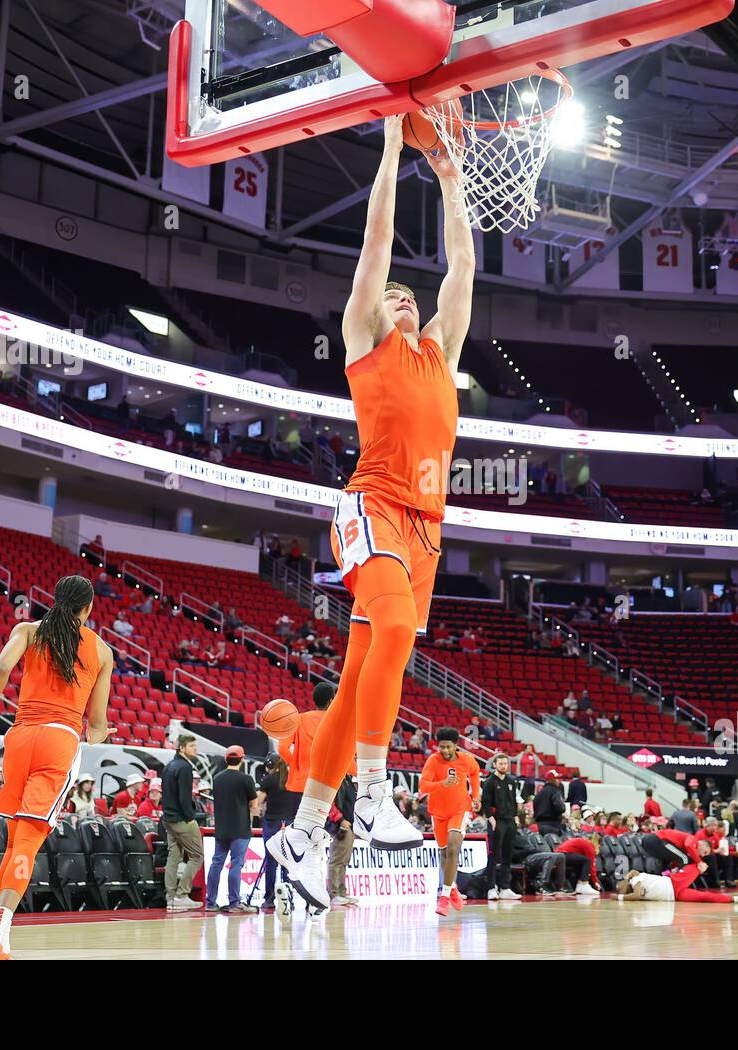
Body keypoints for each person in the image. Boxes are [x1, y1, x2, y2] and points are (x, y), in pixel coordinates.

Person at [266, 116, 472, 916]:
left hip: (427, 529)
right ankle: (377, 792)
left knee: (355, 687)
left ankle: (306, 833)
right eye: (394, 297)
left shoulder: (442, 356)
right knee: (388, 634)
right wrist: (390, 150)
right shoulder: (365, 339)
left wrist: (451, 179)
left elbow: (462, 267)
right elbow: (378, 244)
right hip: (371, 506)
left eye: (410, 298)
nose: (404, 298)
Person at [0, 574, 114, 959]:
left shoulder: (29, 630)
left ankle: (3, 940)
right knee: (29, 843)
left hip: (19, 736)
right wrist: (100, 733)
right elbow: (95, 724)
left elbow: (0, 669)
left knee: (15, 839)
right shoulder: (101, 650)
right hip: (59, 739)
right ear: (88, 608)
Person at [419, 727, 482, 916]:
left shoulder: (466, 760)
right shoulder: (433, 760)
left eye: (448, 747)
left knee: (454, 849)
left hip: (459, 809)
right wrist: (442, 783)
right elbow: (423, 786)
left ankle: (444, 897)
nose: (444, 751)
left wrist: (476, 796)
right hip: (438, 812)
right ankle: (452, 886)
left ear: (456, 746)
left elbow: (476, 773)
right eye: (441, 747)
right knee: (445, 854)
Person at [206, 745, 258, 914]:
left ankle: (210, 902)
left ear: (226, 759)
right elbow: (253, 805)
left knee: (216, 863)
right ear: (242, 760)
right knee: (236, 864)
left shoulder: (217, 778)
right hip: (240, 828)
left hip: (221, 828)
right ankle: (234, 902)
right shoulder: (246, 779)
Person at [160, 734, 206, 913]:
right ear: (182, 748)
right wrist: (190, 817)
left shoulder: (169, 766)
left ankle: (171, 899)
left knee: (174, 857)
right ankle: (182, 895)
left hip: (168, 819)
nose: (195, 749)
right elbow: (184, 797)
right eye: (192, 746)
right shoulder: (185, 767)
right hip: (182, 819)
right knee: (197, 856)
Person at [256, 754, 298, 913]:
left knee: (271, 862)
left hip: (272, 823)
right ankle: (289, 899)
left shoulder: (268, 780)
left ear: (269, 766)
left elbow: (259, 802)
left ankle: (269, 899)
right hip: (289, 823)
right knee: (288, 862)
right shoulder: (291, 778)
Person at [480, 751, 521, 901]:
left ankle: (505, 887)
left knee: (507, 856)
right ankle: (491, 888)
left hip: (510, 820)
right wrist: (490, 818)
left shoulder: (512, 781)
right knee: (494, 855)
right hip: (497, 821)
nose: (504, 766)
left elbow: (514, 801)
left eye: (506, 763)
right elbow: (485, 802)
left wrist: (515, 816)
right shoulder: (490, 781)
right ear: (495, 765)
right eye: (501, 763)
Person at [616, 869, 738, 905]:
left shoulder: (635, 880)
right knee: (704, 896)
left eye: (619, 887)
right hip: (675, 895)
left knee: (695, 868)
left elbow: (633, 872)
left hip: (674, 882)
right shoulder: (634, 891)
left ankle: (701, 861)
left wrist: (617, 897)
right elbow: (635, 895)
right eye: (618, 890)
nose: (619, 889)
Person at [327, 775, 359, 907]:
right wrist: (340, 819)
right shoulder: (336, 779)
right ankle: (334, 894)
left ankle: (341, 893)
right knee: (336, 861)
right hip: (340, 825)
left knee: (343, 862)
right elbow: (329, 803)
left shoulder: (347, 780)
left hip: (348, 824)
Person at [532, 769, 566, 837]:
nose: (559, 781)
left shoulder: (539, 794)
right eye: (557, 779)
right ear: (552, 780)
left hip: (540, 826)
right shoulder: (555, 791)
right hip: (553, 825)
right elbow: (560, 808)